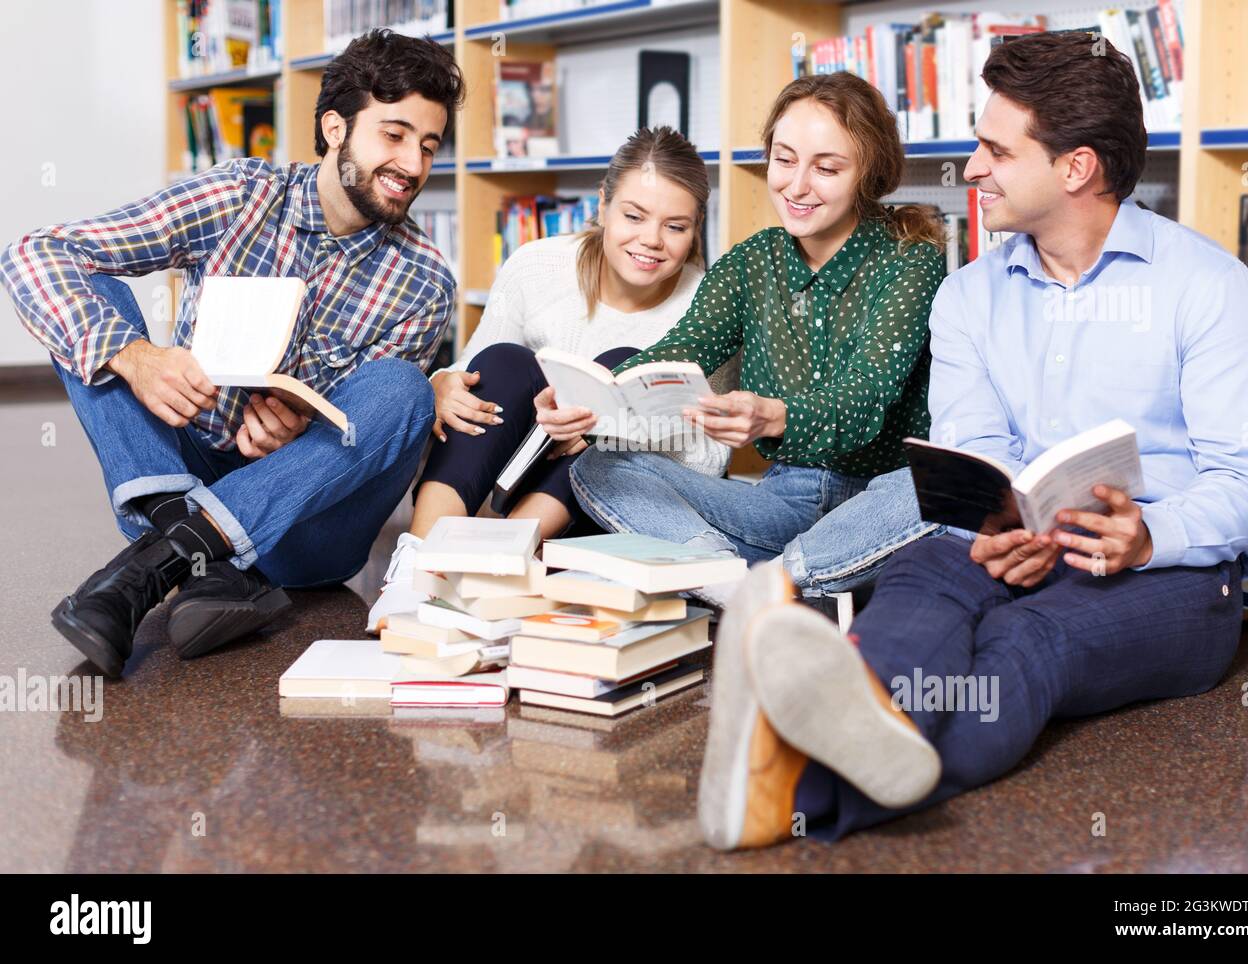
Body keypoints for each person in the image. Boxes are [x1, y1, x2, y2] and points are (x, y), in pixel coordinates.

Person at [694, 31, 1248, 850]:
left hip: (1172, 576)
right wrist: (1010, 522)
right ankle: (837, 720)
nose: (971, 168)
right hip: (1002, 539)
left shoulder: (1211, 289)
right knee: (915, 594)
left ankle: (793, 783)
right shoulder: (968, 295)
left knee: (1025, 640)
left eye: (996, 150)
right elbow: (973, 443)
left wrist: (1147, 535)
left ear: (1074, 169)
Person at [0, 29, 463, 677]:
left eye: (429, 145)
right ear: (335, 129)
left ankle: (154, 561)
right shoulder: (239, 195)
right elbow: (35, 254)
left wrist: (301, 425)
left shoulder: (426, 280)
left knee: (404, 391)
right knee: (93, 297)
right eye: (394, 134)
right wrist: (134, 356)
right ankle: (199, 560)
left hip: (303, 531)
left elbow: (364, 430)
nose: (413, 165)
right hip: (191, 467)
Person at [546, 72, 949, 608]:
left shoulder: (910, 259)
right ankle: (729, 580)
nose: (797, 186)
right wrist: (594, 399)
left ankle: (768, 581)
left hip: (878, 498)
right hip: (783, 499)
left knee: (938, 487)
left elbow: (866, 396)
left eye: (826, 168)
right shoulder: (752, 261)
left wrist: (773, 416)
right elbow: (684, 347)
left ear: (866, 173)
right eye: (783, 160)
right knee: (600, 465)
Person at [368, 127, 738, 630]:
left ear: (697, 229)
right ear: (603, 205)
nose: (650, 240)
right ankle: (418, 565)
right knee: (503, 361)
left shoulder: (710, 306)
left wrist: (607, 423)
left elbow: (711, 459)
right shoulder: (538, 265)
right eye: (633, 216)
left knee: (623, 364)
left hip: (610, 504)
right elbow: (476, 370)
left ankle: (498, 561)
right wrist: (444, 383)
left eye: (675, 226)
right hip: (515, 473)